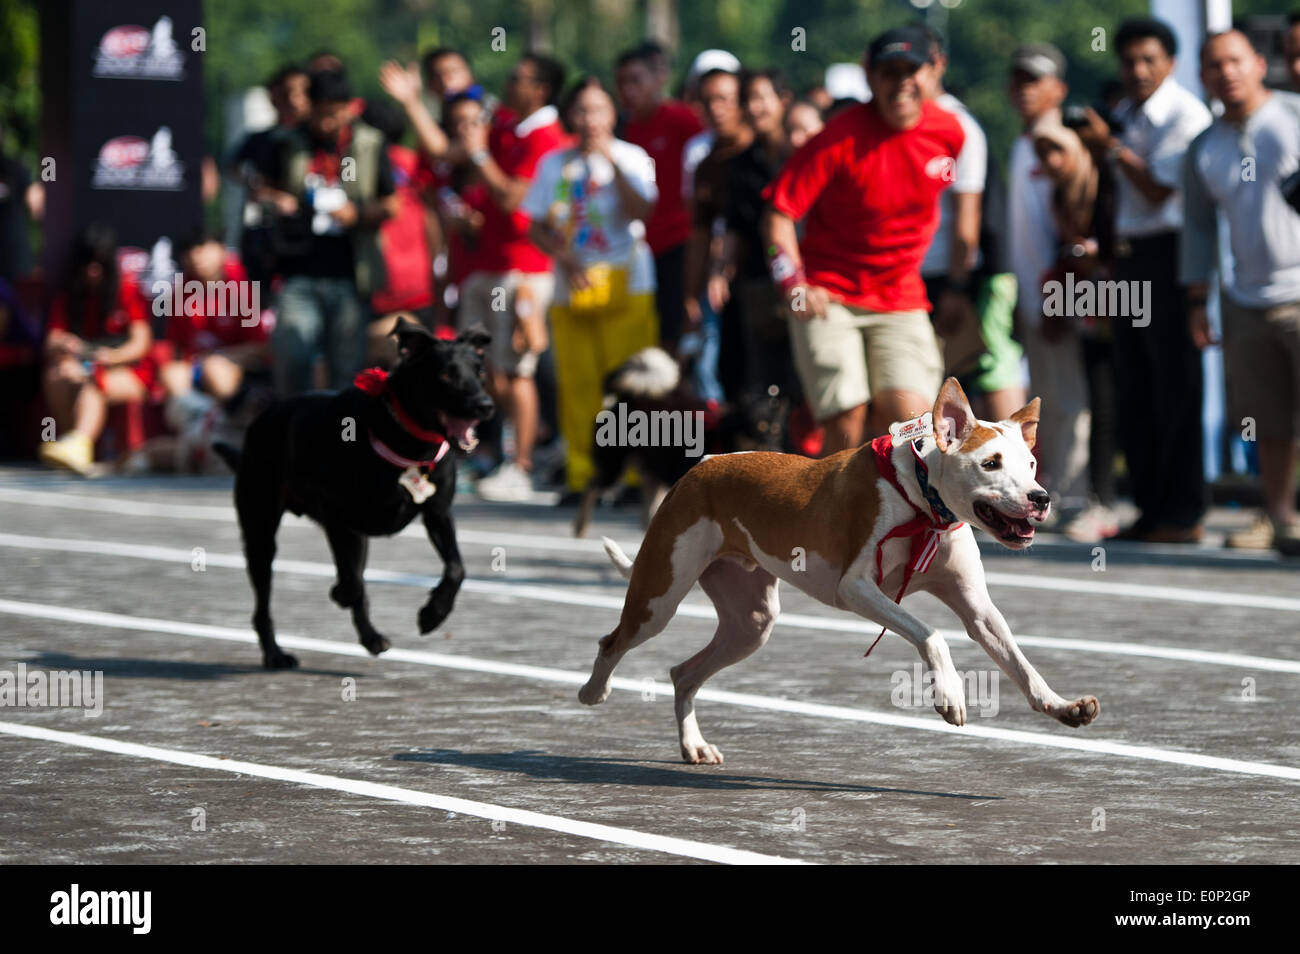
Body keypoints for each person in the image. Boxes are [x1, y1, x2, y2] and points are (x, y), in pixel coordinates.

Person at [760, 25, 963, 453]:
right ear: (868, 76)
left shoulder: (951, 133)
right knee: (847, 419)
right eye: (889, 71)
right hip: (828, 296)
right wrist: (792, 284)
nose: (902, 82)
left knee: (912, 423)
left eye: (913, 69)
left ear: (936, 69)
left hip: (901, 298)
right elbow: (779, 215)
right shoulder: (835, 138)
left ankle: (904, 517)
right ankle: (842, 518)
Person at [1075, 18, 1212, 543]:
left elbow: (1157, 191)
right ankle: (1152, 509)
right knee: (1136, 385)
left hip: (1169, 256)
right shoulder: (1126, 114)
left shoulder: (1185, 114)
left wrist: (1110, 146)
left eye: (1148, 60)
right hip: (1125, 258)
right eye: (1129, 60)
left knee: (1175, 385)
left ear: (1170, 63)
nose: (1137, 70)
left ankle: (1184, 513)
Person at [1183, 30, 1300, 556]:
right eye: (1213, 65)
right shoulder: (1203, 147)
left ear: (1257, 63)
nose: (1225, 72)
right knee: (1266, 419)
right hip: (1244, 297)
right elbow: (1199, 229)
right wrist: (1196, 300)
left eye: (1234, 60)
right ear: (1203, 76)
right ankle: (1278, 517)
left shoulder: (1294, 117)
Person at [522, 76, 659, 497]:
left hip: (628, 283)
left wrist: (610, 163)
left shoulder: (632, 157)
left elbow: (644, 210)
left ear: (612, 113)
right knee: (578, 385)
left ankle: (635, 475)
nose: (589, 120)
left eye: (598, 110)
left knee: (632, 383)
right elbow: (536, 225)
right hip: (572, 287)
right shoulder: (554, 163)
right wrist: (563, 258)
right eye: (581, 111)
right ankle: (585, 475)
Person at [260, 69, 398, 394]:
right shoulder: (288, 141)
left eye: (333, 114)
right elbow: (262, 187)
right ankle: (295, 434)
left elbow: (392, 204)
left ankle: (341, 438)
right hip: (297, 269)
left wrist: (358, 213)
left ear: (349, 107)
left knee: (346, 368)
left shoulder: (368, 143)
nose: (325, 123)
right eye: (319, 113)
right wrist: (277, 200)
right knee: (292, 356)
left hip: (350, 273)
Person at [1006, 42, 1091, 520]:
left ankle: (1076, 497)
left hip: (1061, 291)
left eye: (1034, 80)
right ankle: (1053, 491)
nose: (1023, 89)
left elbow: (1075, 227)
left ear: (1058, 88)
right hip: (1030, 292)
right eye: (1018, 79)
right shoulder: (1022, 143)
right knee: (1046, 395)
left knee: (1069, 397)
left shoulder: (1062, 141)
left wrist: (1065, 295)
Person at [1032, 118, 1121, 542]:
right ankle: (1078, 496)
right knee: (1078, 396)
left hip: (1117, 299)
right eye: (1043, 152)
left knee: (1102, 402)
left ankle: (1100, 500)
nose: (1050, 160)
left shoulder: (1099, 184)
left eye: (1059, 150)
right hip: (1079, 298)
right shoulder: (1060, 192)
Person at [39, 225, 154, 474]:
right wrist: (67, 346)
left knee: (95, 381)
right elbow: (51, 340)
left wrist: (112, 357)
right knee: (57, 375)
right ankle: (73, 442)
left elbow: (141, 343)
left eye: (99, 265)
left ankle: (79, 444)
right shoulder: (70, 294)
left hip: (130, 373)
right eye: (88, 264)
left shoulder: (128, 290)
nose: (93, 271)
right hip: (87, 366)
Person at [616, 43, 703, 353]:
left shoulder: (683, 121)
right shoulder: (621, 130)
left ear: (657, 80)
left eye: (635, 80)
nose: (628, 90)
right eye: (622, 82)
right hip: (636, 250)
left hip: (678, 245)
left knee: (676, 332)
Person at [722, 68, 800, 410]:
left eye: (760, 98)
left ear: (783, 100)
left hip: (807, 283)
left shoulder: (805, 156)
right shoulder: (740, 165)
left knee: (805, 381)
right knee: (766, 381)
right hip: (758, 284)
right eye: (746, 101)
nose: (753, 108)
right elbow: (735, 229)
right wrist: (721, 272)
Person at [685, 66, 753, 402]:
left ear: (742, 102)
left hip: (768, 283)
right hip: (723, 290)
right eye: (707, 100)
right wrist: (689, 295)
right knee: (726, 377)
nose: (716, 108)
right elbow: (700, 234)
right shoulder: (706, 165)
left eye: (724, 99)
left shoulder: (762, 154)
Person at [360, 100, 438, 365]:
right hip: (422, 285)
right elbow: (432, 219)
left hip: (376, 288)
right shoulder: (414, 163)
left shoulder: (357, 167)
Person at [228, 63, 311, 288]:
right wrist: (262, 190)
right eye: (286, 93)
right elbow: (233, 167)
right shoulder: (265, 138)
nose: (293, 100)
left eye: (301, 92)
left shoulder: (323, 139)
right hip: (270, 234)